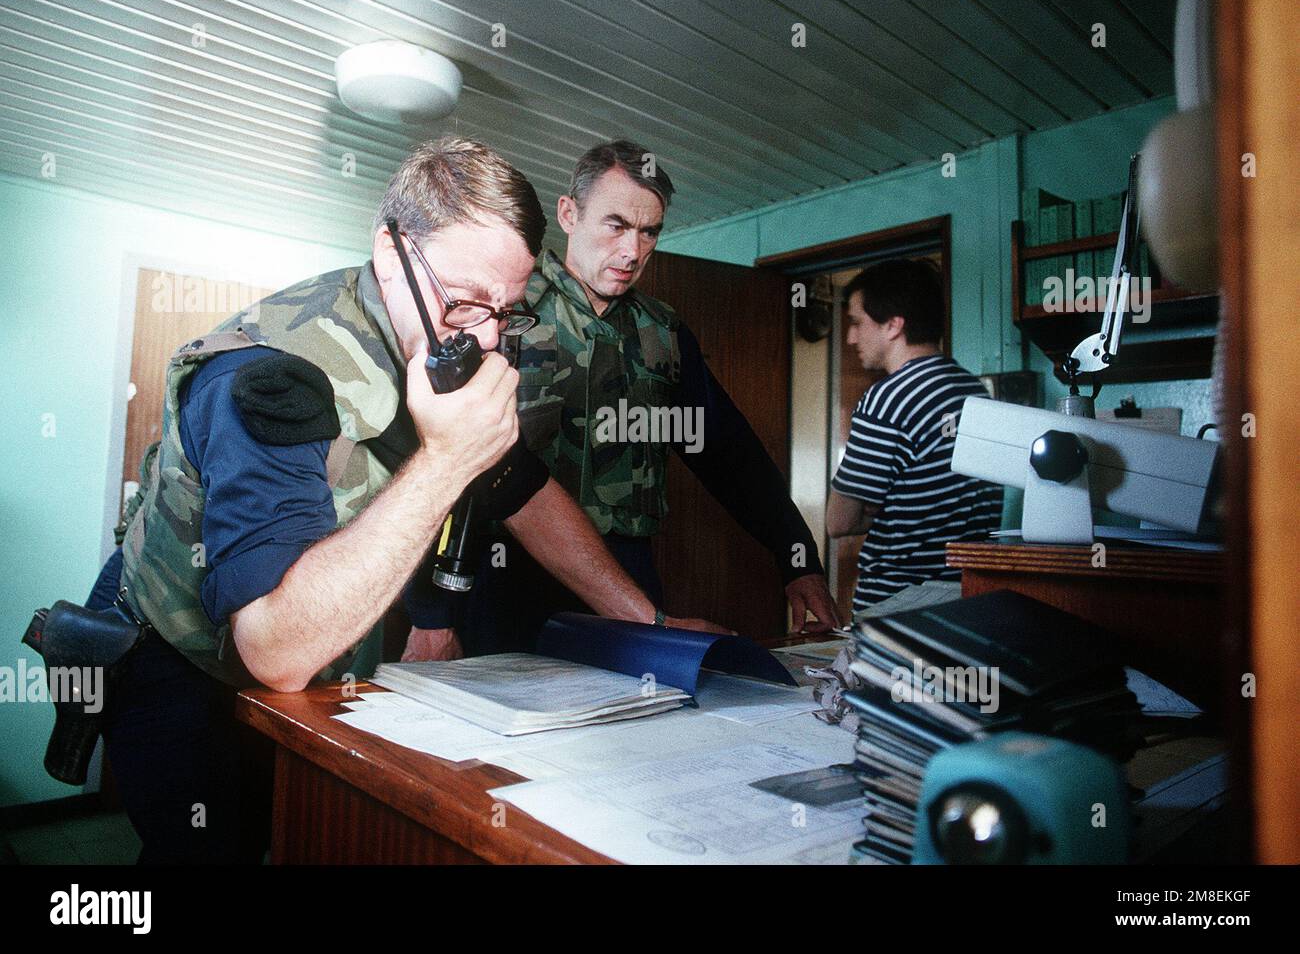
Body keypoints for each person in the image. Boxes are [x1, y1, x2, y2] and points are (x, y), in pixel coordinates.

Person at [88, 137, 722, 863]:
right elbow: (273, 650)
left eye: (507, 310)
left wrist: (650, 623)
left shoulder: (450, 339)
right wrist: (447, 460)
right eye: (466, 301)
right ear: (391, 253)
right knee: (210, 849)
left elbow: (524, 493)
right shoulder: (269, 377)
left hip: (314, 669)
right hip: (178, 660)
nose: (486, 337)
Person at [417, 139, 839, 659]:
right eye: (615, 225)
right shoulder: (501, 313)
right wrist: (431, 614)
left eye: (648, 232)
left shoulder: (663, 335)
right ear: (569, 214)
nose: (632, 251)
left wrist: (797, 558)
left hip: (625, 584)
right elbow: (440, 465)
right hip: (504, 579)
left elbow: (731, 455)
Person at [825, 259, 1003, 618]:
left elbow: (838, 522)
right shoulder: (976, 392)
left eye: (857, 322)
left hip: (898, 604)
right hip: (969, 597)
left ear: (893, 324)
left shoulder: (886, 399)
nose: (851, 337)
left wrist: (880, 507)